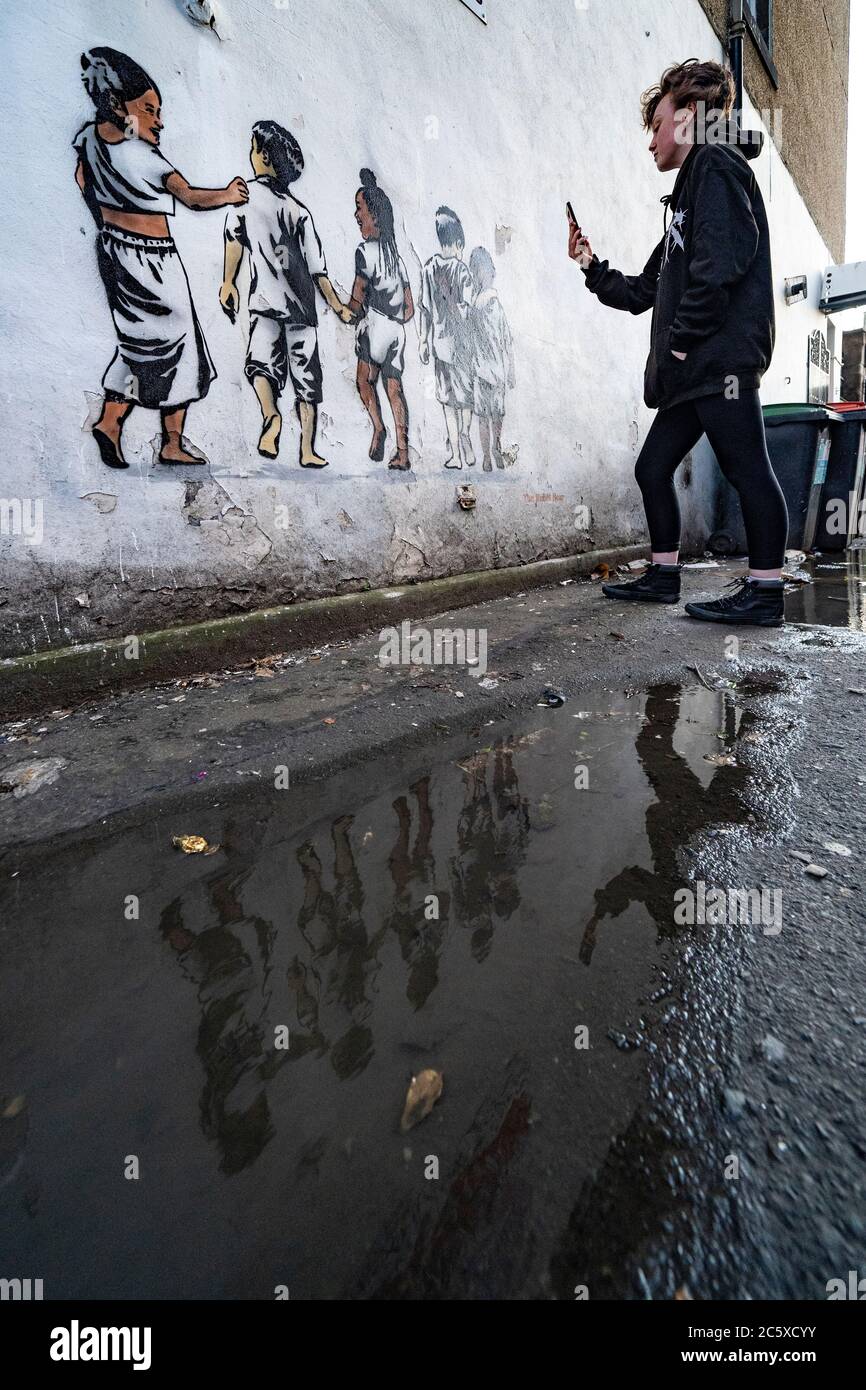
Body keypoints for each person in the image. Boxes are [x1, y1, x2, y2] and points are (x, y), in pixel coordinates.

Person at [569, 59, 789, 627]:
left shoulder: (716, 165)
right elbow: (646, 289)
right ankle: (664, 575)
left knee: (748, 471)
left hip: (718, 364)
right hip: (694, 371)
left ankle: (766, 593)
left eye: (657, 125)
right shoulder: (686, 195)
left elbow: (721, 268)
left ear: (688, 118)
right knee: (653, 467)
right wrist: (591, 266)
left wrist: (682, 345)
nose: (652, 142)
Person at [74, 47, 248, 468]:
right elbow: (188, 196)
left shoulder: (90, 139)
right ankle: (169, 441)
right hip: (155, 261)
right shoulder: (142, 155)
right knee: (179, 345)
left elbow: (83, 180)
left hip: (114, 251)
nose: (159, 121)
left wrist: (106, 220)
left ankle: (113, 422)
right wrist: (227, 194)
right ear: (118, 104)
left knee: (137, 343)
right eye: (149, 110)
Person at [220, 121, 352, 466]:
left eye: (253, 148)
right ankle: (307, 449)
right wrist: (337, 306)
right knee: (307, 381)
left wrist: (228, 282)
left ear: (263, 156)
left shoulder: (244, 199)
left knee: (261, 365)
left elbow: (235, 241)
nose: (251, 154)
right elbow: (317, 270)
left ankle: (270, 414)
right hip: (302, 311)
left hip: (264, 303)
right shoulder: (299, 212)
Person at [347, 169, 414, 470]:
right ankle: (403, 451)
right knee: (395, 389)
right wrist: (395, 318)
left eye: (359, 209)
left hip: (375, 326)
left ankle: (378, 426)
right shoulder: (396, 257)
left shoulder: (365, 252)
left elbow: (356, 299)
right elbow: (409, 308)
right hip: (397, 331)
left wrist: (347, 310)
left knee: (364, 381)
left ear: (374, 215)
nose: (356, 215)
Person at [419, 207, 476, 469]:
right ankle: (465, 434)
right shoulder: (463, 271)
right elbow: (468, 310)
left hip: (440, 346)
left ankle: (455, 454)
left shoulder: (429, 269)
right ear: (458, 243)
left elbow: (425, 310)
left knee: (447, 402)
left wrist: (423, 341)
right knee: (465, 399)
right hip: (462, 347)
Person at [468, 246, 515, 471]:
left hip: (492, 371)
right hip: (484, 371)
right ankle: (488, 454)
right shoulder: (480, 304)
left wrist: (511, 370)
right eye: (480, 271)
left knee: (492, 415)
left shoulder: (492, 304)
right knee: (487, 416)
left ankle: (494, 448)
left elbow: (507, 340)